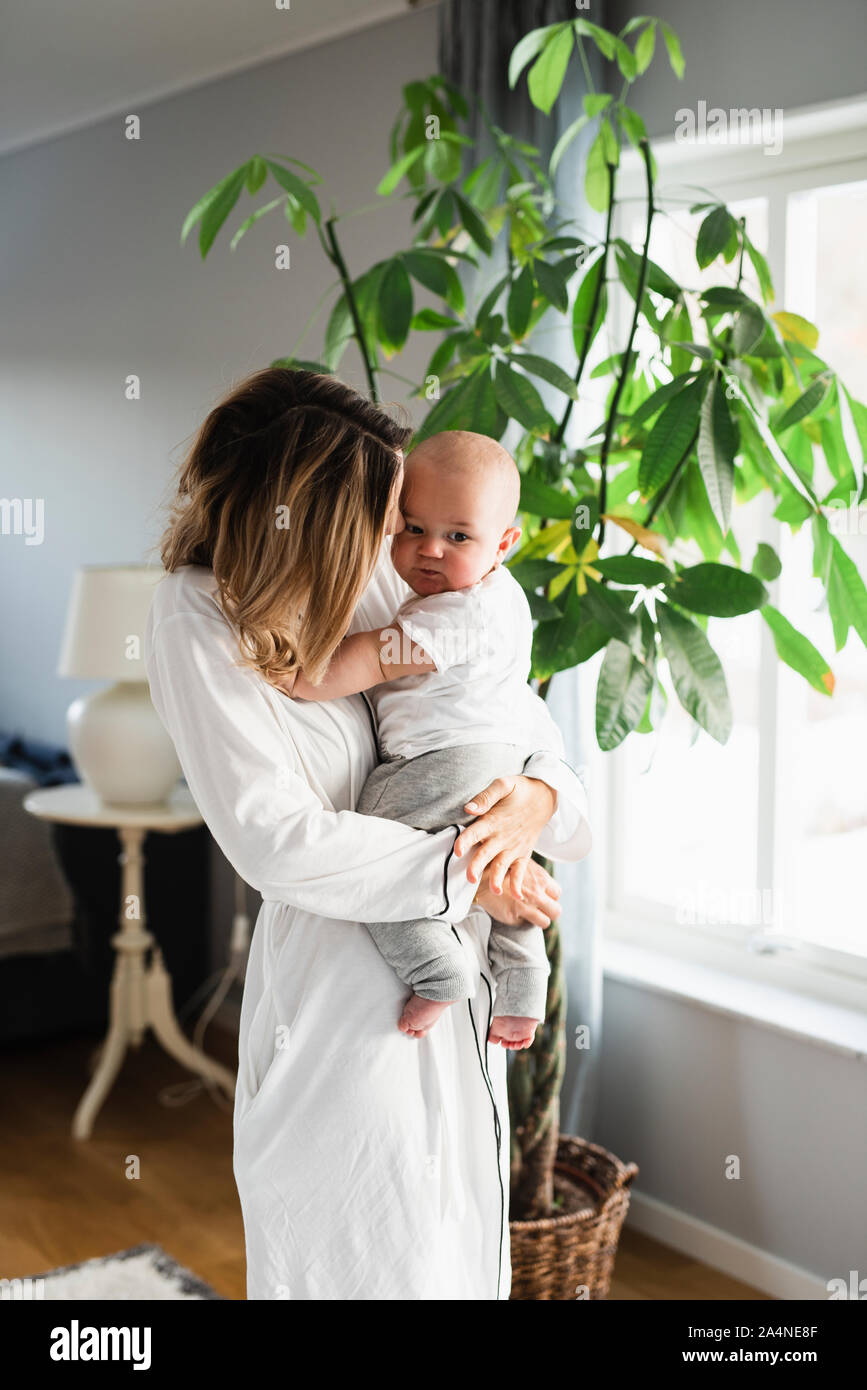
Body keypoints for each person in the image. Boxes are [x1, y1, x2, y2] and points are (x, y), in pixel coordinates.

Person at [144, 367, 592, 1300]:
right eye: (388, 517)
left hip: (460, 975)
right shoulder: (197, 616)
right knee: (360, 1263)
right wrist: (468, 869)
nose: (405, 542)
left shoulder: (396, 587)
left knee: (454, 1259)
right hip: (342, 998)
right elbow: (276, 840)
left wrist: (534, 805)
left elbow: (531, 749)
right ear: (308, 511)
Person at [275, 429, 560, 1052]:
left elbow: (373, 660)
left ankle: (438, 971)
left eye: (458, 536)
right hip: (497, 761)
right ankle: (522, 985)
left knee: (375, 853)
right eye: (411, 527)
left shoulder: (457, 613)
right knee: (500, 866)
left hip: (442, 761)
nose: (429, 549)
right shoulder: (500, 597)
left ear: (503, 543)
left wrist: (299, 676)